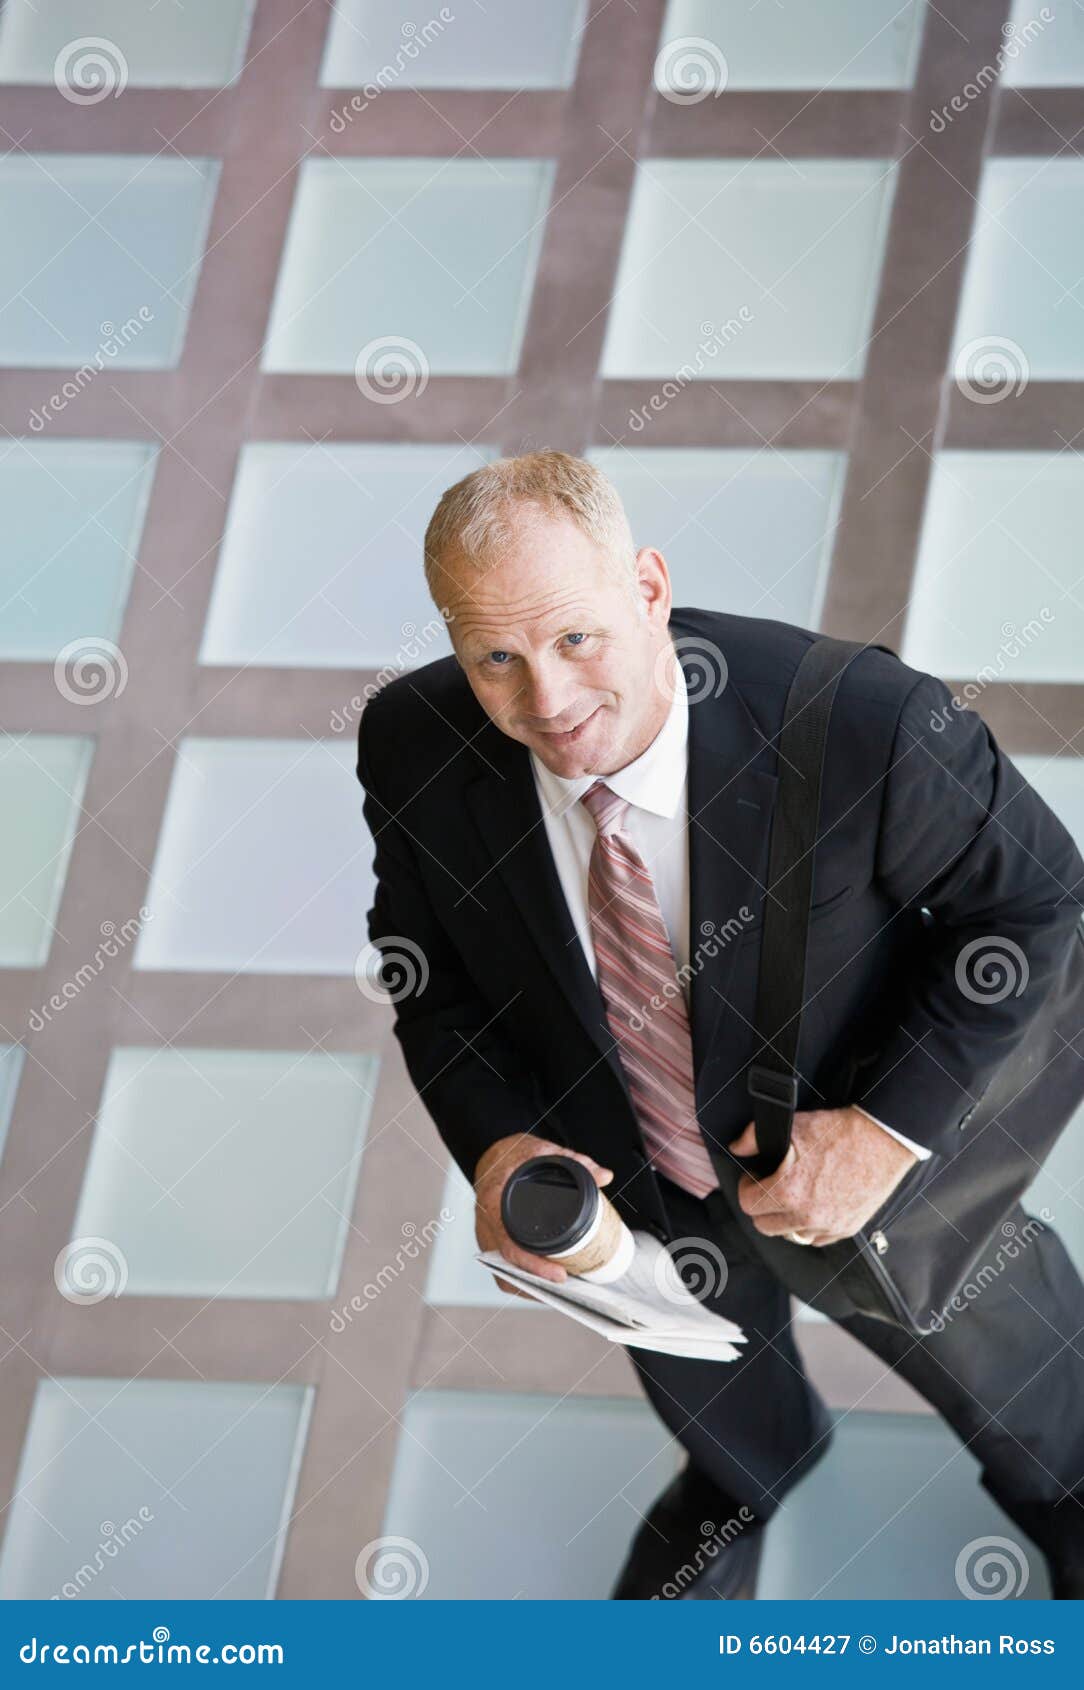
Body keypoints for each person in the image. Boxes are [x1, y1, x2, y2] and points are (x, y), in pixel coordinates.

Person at [355, 450, 1084, 1600]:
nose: (545, 699)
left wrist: (886, 1132)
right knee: (719, 1407)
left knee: (1030, 1393)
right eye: (494, 656)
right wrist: (495, 1145)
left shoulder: (865, 721)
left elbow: (1039, 904)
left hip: (877, 1155)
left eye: (576, 637)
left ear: (648, 588)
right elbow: (428, 976)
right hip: (639, 1191)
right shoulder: (410, 741)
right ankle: (748, 1474)